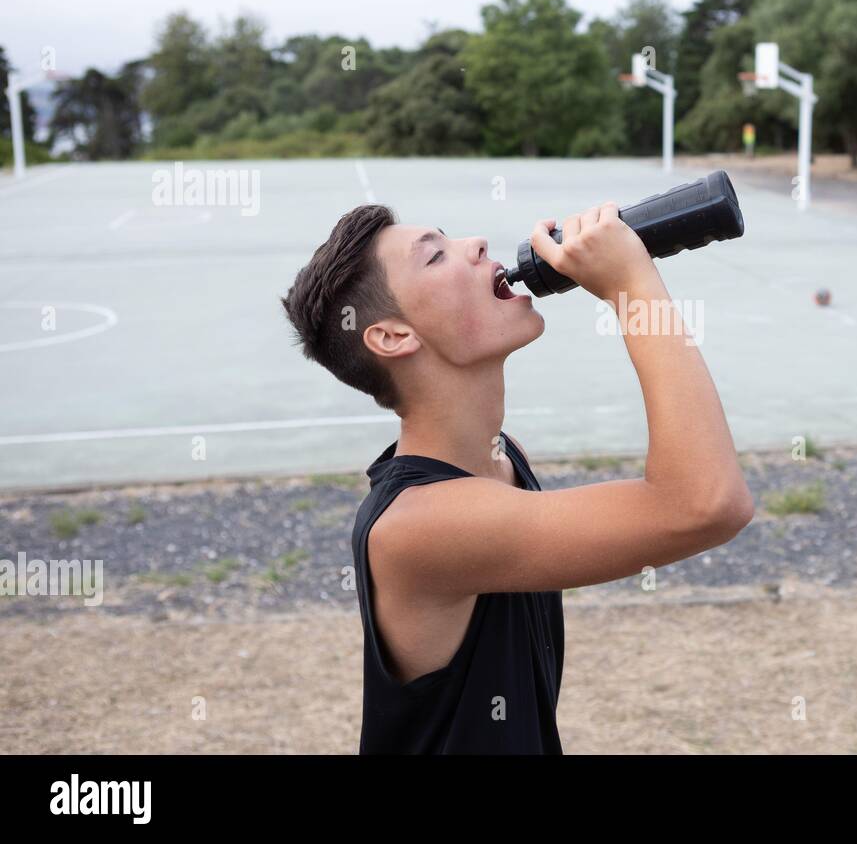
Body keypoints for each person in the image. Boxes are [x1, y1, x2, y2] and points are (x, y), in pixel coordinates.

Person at [279, 201, 754, 753]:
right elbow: (707, 504)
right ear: (391, 337)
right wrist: (630, 285)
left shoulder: (501, 462)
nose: (477, 243)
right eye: (435, 256)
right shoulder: (418, 528)